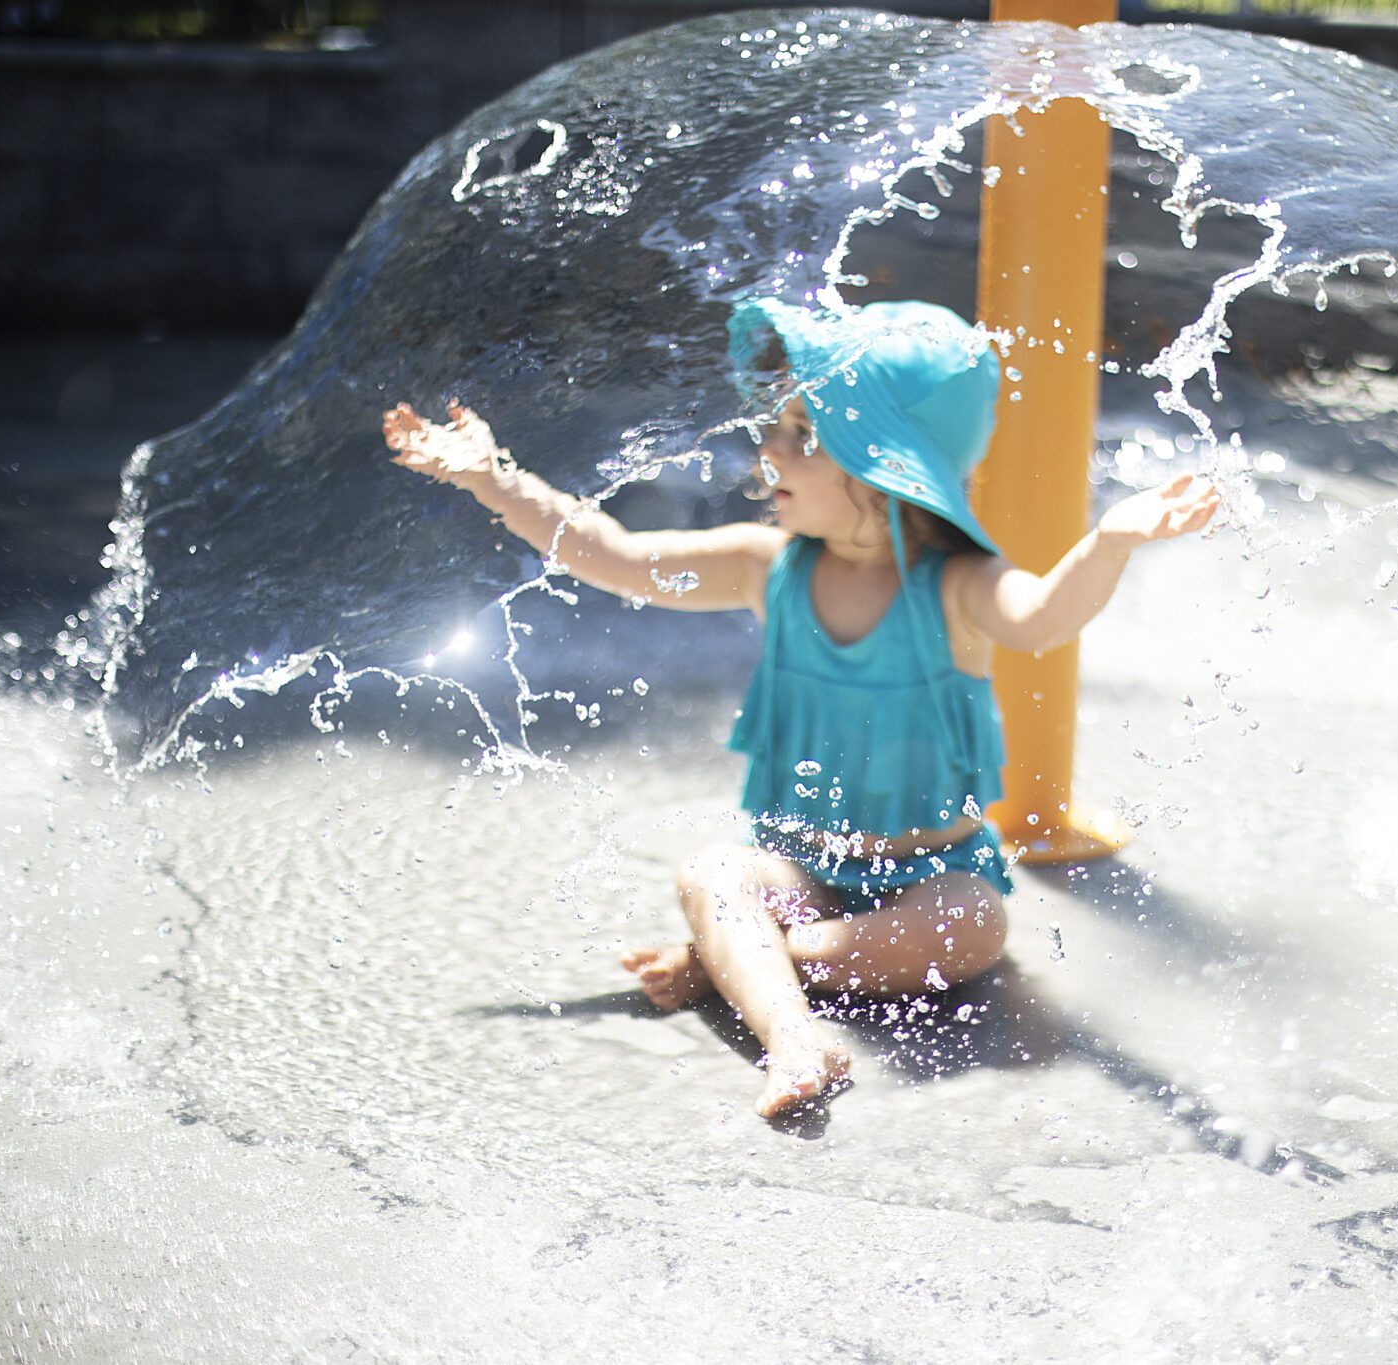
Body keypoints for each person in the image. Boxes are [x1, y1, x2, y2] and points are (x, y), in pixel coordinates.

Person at [383, 298, 1218, 1118]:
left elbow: (1044, 618)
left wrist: (1109, 543)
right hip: (804, 874)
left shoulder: (958, 587)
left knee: (976, 926)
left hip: (933, 877)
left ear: (885, 465)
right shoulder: (765, 563)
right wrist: (491, 478)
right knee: (711, 872)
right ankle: (792, 1034)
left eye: (804, 437)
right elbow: (622, 559)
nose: (767, 453)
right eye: (775, 429)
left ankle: (737, 960)